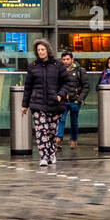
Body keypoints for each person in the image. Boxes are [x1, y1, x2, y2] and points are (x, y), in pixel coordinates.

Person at [22, 39, 66, 167]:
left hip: (55, 104)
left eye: (43, 49)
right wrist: (25, 105)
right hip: (38, 104)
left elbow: (67, 82)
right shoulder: (32, 66)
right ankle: (43, 157)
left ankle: (51, 153)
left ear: (48, 50)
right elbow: (28, 87)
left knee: (52, 131)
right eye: (38, 50)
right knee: (41, 130)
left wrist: (60, 95)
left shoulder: (58, 65)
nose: (40, 52)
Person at [55, 50, 87, 150]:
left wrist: (79, 99)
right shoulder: (59, 71)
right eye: (63, 59)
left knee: (74, 121)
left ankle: (73, 140)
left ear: (72, 59)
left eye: (67, 59)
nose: (65, 61)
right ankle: (59, 139)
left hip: (75, 101)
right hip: (63, 100)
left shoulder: (80, 70)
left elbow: (86, 86)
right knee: (61, 120)